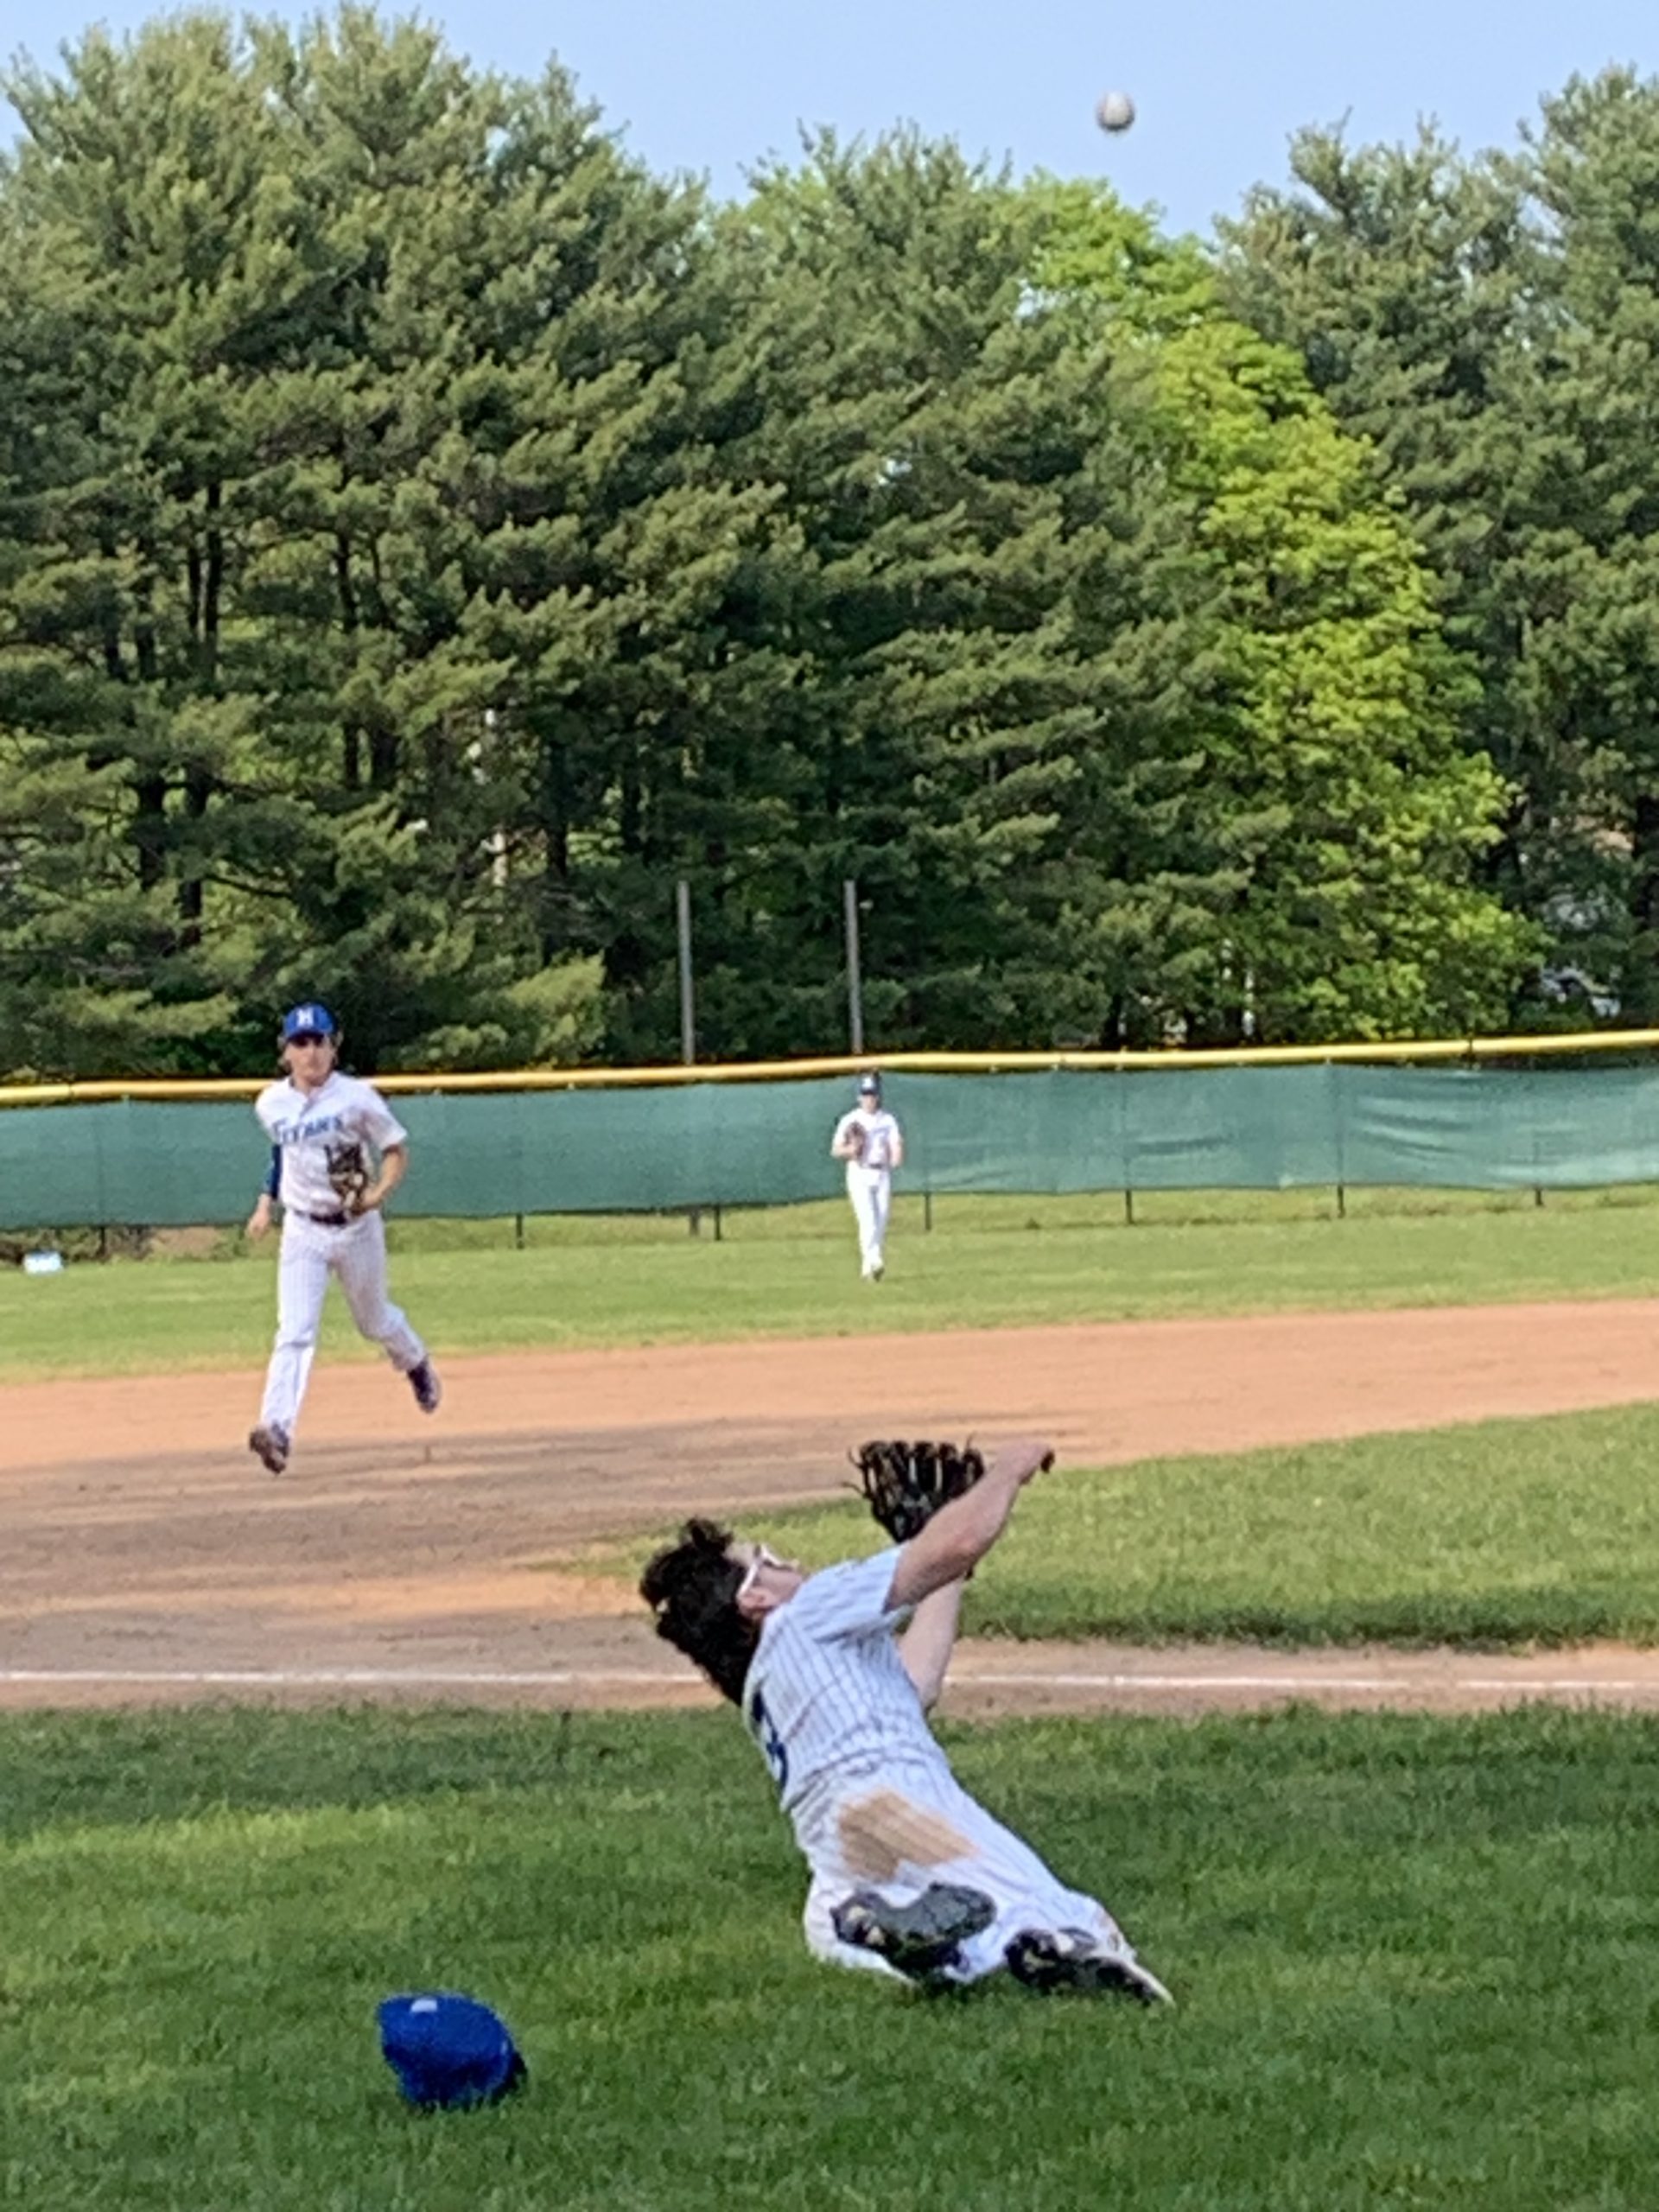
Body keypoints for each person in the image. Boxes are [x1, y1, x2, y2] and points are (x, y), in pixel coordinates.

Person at [639, 1436, 1173, 2002]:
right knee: (1067, 1917)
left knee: (928, 1951)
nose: (789, 1562)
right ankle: (1053, 1948)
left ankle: (922, 1943)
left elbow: (916, 1683)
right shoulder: (807, 1613)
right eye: (767, 1561)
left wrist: (942, 1567)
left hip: (839, 1862)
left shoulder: (767, 1690)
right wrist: (1010, 1470)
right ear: (757, 1602)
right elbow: (960, 1541)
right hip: (902, 1803)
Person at [244, 1001, 440, 1475]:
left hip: (355, 1228)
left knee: (374, 1321)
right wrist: (265, 1203)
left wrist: (376, 1194)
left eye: (320, 1041)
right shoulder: (270, 1104)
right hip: (303, 1230)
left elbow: (394, 1150)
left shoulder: (357, 1098)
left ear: (335, 1046)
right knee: (294, 1331)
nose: (311, 1051)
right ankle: (276, 1429)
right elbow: (282, 1152)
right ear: (285, 1051)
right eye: (301, 1042)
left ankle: (414, 1361)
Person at [830, 1072, 904, 1281]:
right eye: (865, 1094)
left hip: (881, 1172)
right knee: (868, 1219)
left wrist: (897, 1156)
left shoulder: (887, 1119)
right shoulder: (851, 1119)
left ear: (878, 1096)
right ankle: (875, 1259)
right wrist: (850, 1149)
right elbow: (835, 1150)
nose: (869, 1099)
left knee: (881, 1220)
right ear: (859, 1097)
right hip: (859, 1171)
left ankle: (867, 1268)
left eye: (872, 1094)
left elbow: (896, 1143)